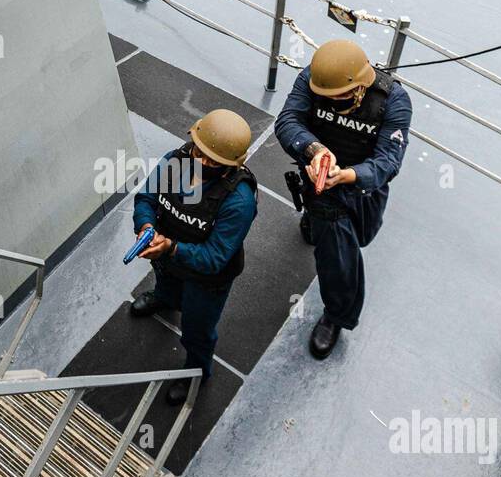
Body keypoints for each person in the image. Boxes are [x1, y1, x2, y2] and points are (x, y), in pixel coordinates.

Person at [275, 39, 412, 359]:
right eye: (326, 99)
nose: (332, 103)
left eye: (340, 99)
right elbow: (288, 121)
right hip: (319, 180)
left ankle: (314, 219)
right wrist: (314, 150)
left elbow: (388, 161)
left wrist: (348, 175)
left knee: (363, 235)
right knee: (339, 255)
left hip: (362, 184)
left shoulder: (394, 101)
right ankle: (337, 315)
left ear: (360, 89)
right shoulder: (314, 79)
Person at [130, 109, 258, 404]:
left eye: (213, 161)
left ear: (232, 164)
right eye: (199, 153)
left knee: (197, 330)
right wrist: (146, 226)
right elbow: (146, 198)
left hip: (207, 278)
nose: (201, 163)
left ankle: (196, 373)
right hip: (167, 257)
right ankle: (165, 299)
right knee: (166, 285)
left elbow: (215, 258)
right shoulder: (176, 161)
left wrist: (171, 247)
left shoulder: (239, 201)